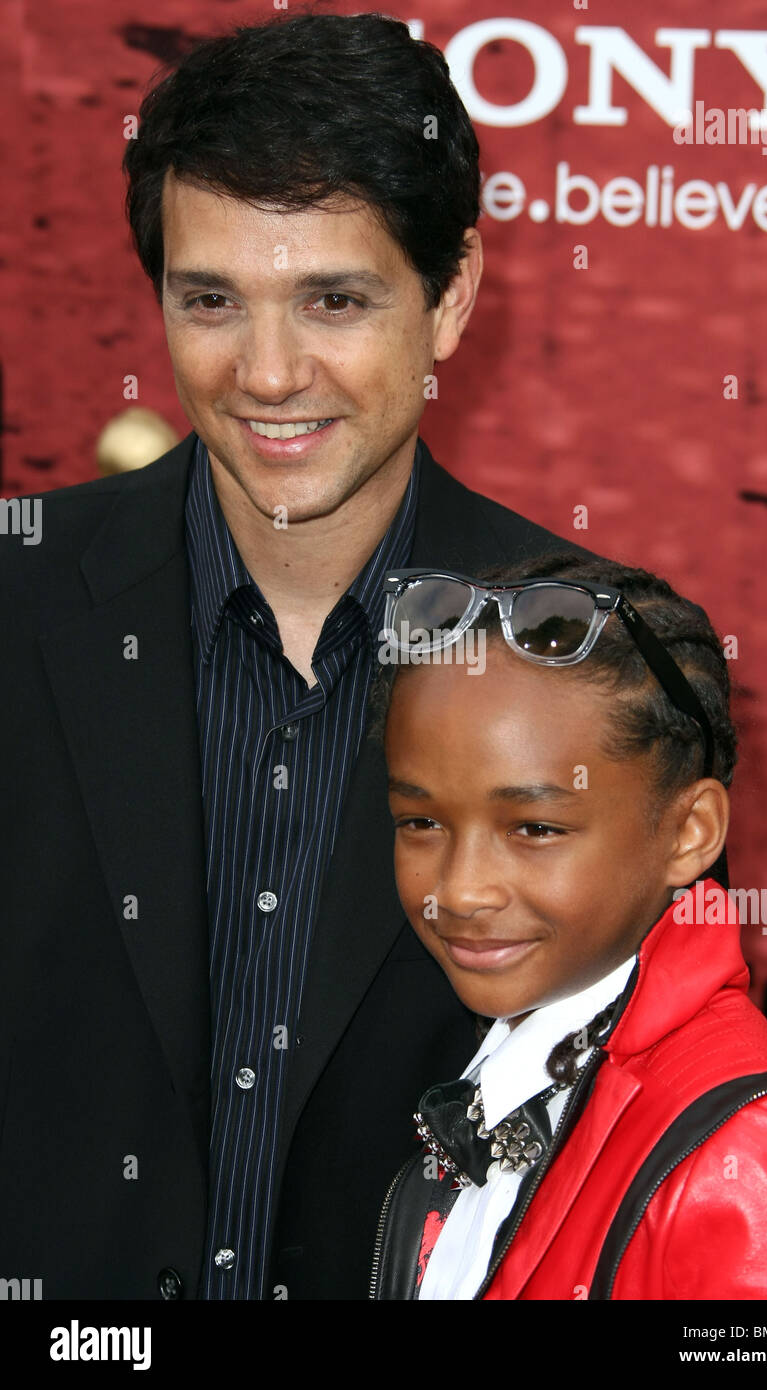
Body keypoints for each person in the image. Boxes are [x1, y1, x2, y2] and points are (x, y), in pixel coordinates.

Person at [0, 12, 601, 1300]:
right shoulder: (17, 599)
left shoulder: (592, 658)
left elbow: (645, 1136)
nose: (267, 374)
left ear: (451, 298)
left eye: (334, 299)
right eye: (211, 299)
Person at [371, 553, 767, 1299]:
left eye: (535, 827)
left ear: (690, 832)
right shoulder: (494, 1085)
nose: (461, 890)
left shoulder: (752, 1159)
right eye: (422, 820)